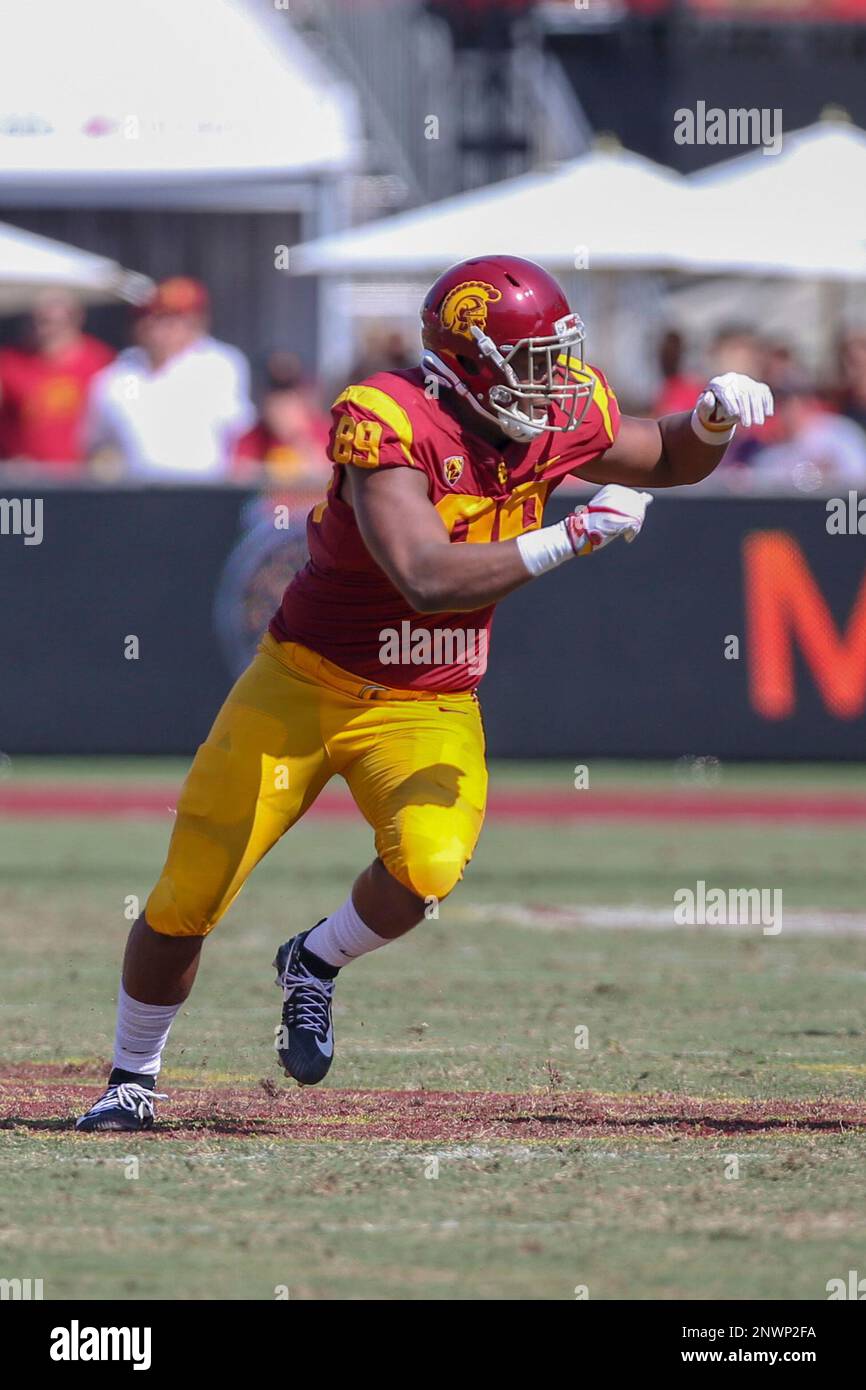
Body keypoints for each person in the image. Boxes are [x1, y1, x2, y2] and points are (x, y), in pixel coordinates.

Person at [75, 254, 774, 1132]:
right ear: (468, 360)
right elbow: (425, 577)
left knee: (428, 867)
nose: (555, 381)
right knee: (188, 894)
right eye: (533, 361)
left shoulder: (560, 410)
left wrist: (710, 420)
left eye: (561, 357)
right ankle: (132, 1077)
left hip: (428, 695)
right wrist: (573, 538)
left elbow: (668, 455)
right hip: (303, 680)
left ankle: (313, 963)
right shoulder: (386, 418)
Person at [85, 277, 254, 481]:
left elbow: (242, 434)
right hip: (136, 497)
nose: (159, 327)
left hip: (206, 492)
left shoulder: (220, 363)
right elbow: (96, 443)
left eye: (171, 318)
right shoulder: (116, 376)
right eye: (150, 317)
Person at [0, 289, 113, 470]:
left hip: (81, 479)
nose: (46, 330)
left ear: (76, 319)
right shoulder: (9, 363)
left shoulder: (100, 361)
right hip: (25, 479)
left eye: (53, 322)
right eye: (38, 321)